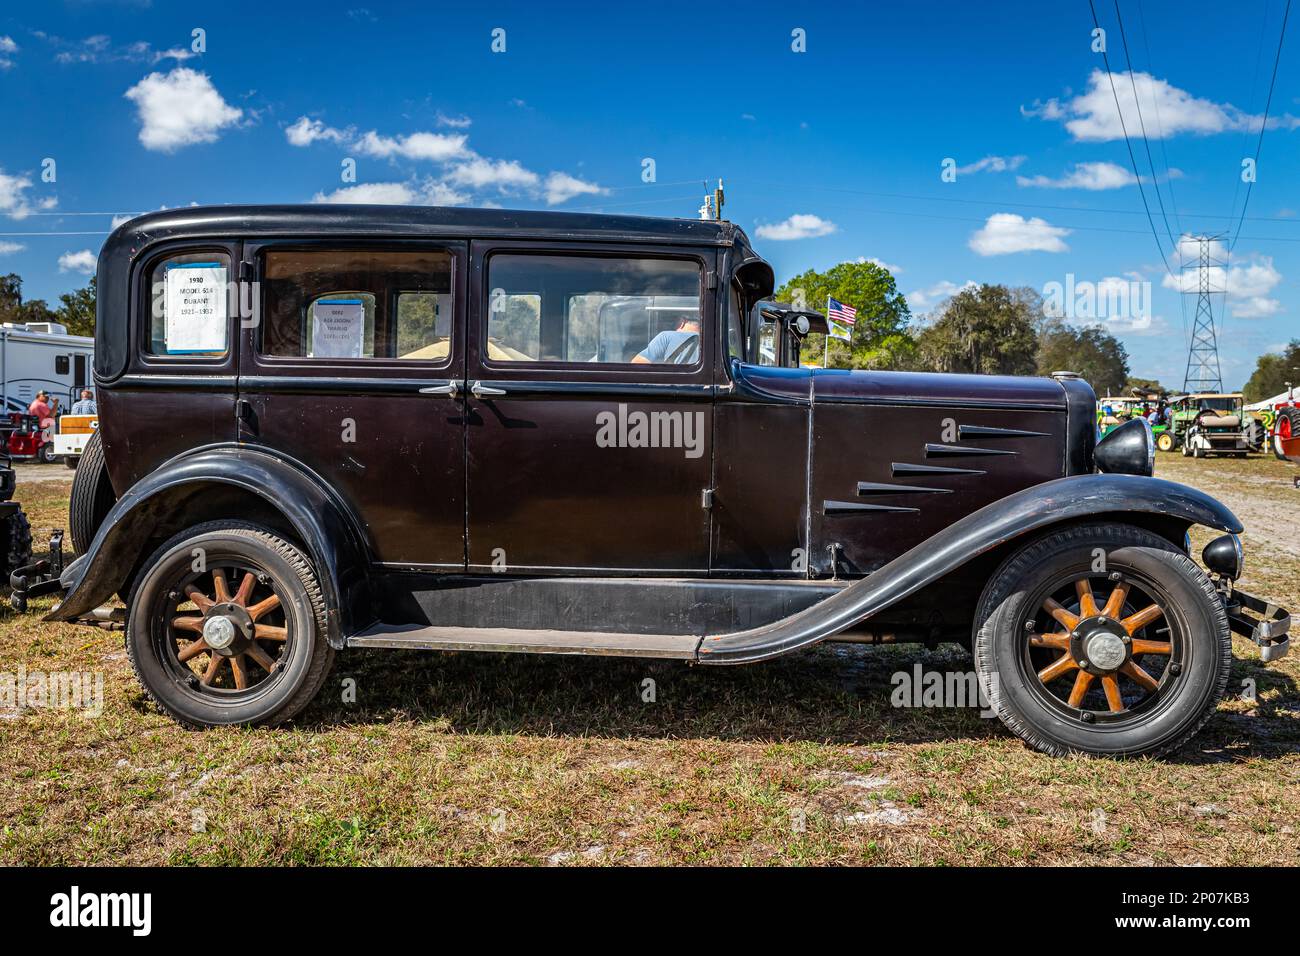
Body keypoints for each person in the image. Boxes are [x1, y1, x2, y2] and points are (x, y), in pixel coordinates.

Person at [632, 315, 700, 364]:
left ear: (682, 322)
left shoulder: (666, 336)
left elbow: (637, 364)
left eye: (673, 322)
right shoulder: (708, 341)